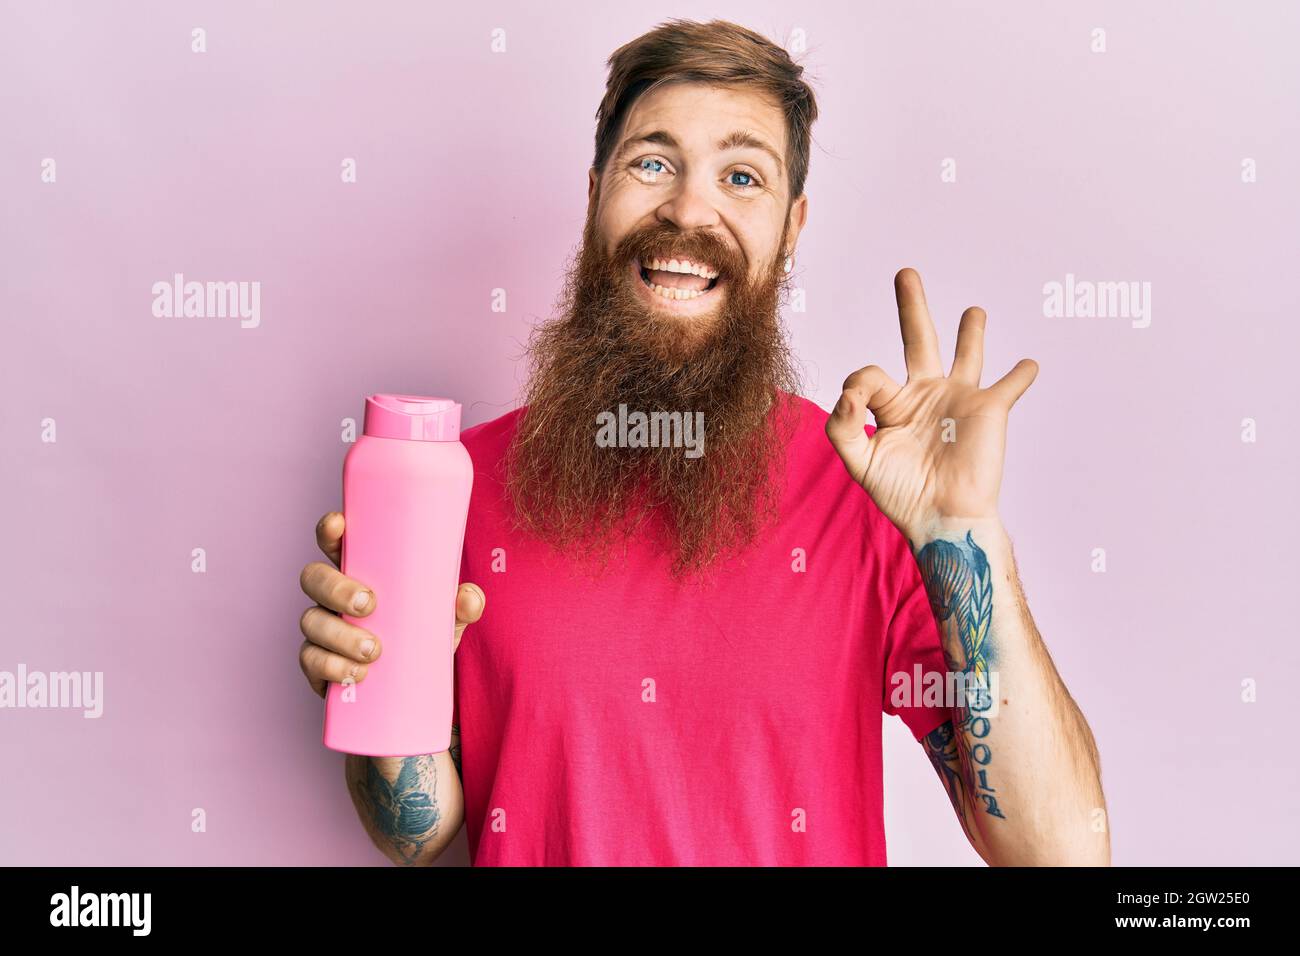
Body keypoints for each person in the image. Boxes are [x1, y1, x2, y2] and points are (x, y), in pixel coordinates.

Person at [298, 18, 1108, 866]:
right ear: (594, 194)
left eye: (741, 175)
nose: (689, 207)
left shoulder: (871, 493)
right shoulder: (455, 487)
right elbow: (417, 835)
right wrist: (376, 688)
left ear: (792, 227)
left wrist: (961, 532)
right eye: (652, 162)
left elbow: (1060, 853)